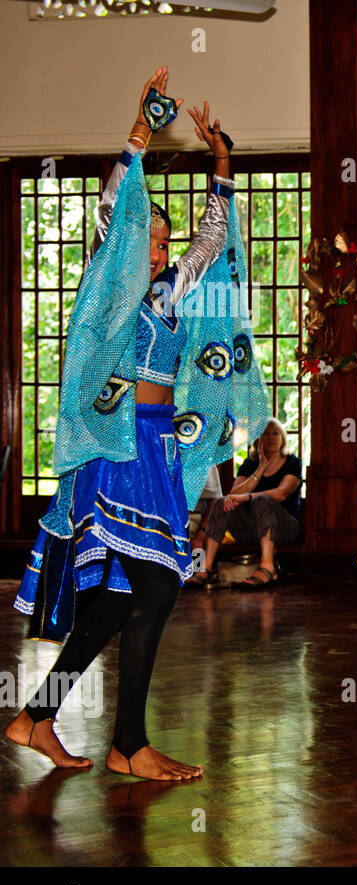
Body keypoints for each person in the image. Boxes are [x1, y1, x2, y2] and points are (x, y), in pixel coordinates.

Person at [6, 67, 268, 780]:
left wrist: (221, 162)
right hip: (117, 447)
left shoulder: (174, 289)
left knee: (120, 601)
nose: (157, 250)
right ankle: (127, 741)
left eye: (161, 242)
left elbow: (212, 241)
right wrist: (140, 132)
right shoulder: (115, 281)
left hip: (155, 451)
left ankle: (35, 718)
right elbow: (114, 205)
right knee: (152, 590)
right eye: (148, 240)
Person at [189, 418, 302, 588]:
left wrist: (249, 497)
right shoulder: (250, 465)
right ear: (258, 439)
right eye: (265, 433)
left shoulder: (293, 463)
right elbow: (233, 495)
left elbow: (281, 494)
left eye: (275, 433)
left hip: (283, 528)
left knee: (262, 500)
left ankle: (267, 568)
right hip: (250, 529)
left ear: (283, 438)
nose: (270, 437)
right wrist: (260, 469)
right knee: (220, 502)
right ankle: (204, 568)